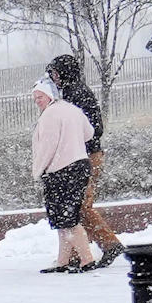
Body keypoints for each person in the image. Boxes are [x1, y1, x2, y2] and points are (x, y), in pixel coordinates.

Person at [51, 51, 124, 267]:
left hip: (86, 157)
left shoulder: (76, 94)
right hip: (82, 156)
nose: (54, 77)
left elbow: (94, 128)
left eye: (55, 73)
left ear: (64, 73)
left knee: (81, 205)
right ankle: (76, 255)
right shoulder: (72, 92)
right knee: (75, 206)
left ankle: (110, 244)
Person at [33, 72, 105, 273]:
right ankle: (63, 261)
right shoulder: (72, 109)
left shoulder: (49, 115)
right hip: (80, 166)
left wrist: (38, 170)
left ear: (49, 95)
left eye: (40, 96)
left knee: (66, 218)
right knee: (65, 217)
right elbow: (89, 133)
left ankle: (86, 260)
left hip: (60, 170)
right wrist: (72, 141)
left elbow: (47, 147)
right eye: (35, 98)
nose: (37, 101)